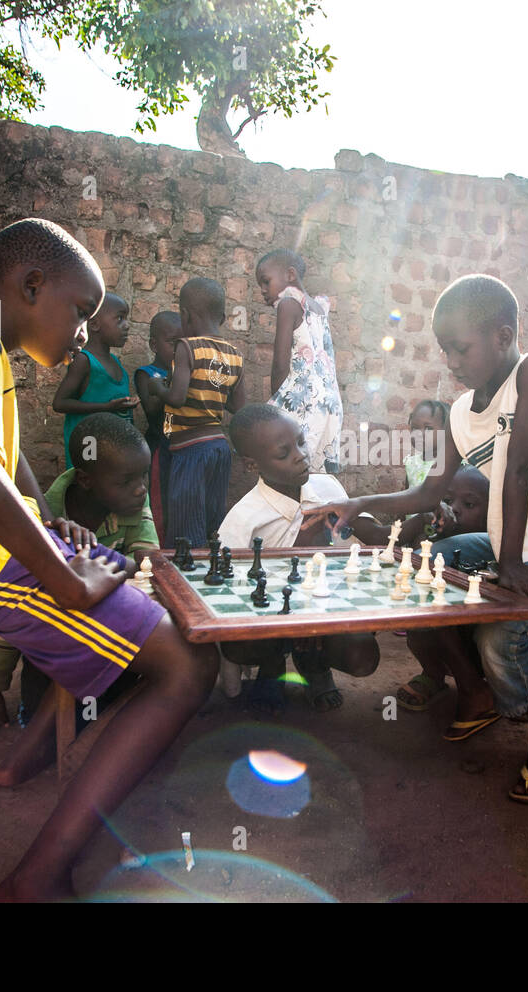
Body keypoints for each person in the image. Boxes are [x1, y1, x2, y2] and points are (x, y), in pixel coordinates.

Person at [0, 218, 217, 900]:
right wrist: (65, 578)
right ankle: (37, 876)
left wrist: (47, 517)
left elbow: (3, 455)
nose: (84, 330)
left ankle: (18, 767)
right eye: (80, 311)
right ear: (32, 286)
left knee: (133, 620)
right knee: (184, 663)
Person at [312, 275, 528, 803]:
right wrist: (358, 504)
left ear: (503, 336)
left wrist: (509, 565)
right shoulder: (462, 412)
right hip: (505, 543)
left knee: (499, 631)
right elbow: (431, 490)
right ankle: (475, 691)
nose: (451, 361)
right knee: (422, 571)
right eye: (444, 350)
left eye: (460, 348)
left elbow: (521, 468)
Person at [0, 413, 160, 785]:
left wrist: (102, 558)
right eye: (128, 481)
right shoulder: (35, 522)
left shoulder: (132, 509)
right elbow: (12, 616)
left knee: (127, 689)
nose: (141, 490)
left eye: (142, 478)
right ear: (85, 480)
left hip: (110, 640)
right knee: (53, 714)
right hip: (52, 647)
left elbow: (147, 568)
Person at [217, 404, 382, 713]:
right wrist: (290, 624)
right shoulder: (243, 519)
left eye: (301, 442)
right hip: (269, 617)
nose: (301, 456)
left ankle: (314, 665)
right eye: (284, 454)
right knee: (239, 643)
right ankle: (273, 664)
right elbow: (226, 594)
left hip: (326, 606)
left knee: (363, 658)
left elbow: (373, 536)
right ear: (252, 465)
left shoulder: (327, 487)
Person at [154, 279, 244, 547]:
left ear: (185, 315)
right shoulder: (235, 355)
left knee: (185, 528)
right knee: (211, 523)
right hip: (219, 449)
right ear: (224, 318)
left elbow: (177, 398)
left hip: (190, 448)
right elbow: (237, 407)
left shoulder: (187, 347)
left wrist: (157, 386)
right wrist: (211, 393)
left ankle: (184, 584)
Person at [395, 465, 490, 712]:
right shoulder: (432, 539)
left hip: (480, 645)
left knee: (495, 639)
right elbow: (389, 540)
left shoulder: (495, 551)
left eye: (469, 505)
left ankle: (496, 687)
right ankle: (432, 675)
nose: (454, 509)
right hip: (437, 641)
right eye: (447, 500)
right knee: (423, 616)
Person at [257, 249, 342, 474]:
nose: (263, 290)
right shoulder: (318, 308)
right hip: (329, 403)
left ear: (290, 275)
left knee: (291, 471)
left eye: (266, 282)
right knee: (316, 472)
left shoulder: (288, 304)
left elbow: (280, 361)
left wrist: (277, 399)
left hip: (301, 400)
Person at [52, 291, 137, 469]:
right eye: (120, 318)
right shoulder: (84, 361)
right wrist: (107, 408)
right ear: (95, 324)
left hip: (112, 450)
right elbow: (60, 403)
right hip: (88, 447)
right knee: (88, 485)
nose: (127, 326)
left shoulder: (116, 363)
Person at [134, 311, 178, 542]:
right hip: (159, 446)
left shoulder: (185, 372)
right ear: (154, 344)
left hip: (182, 447)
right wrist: (170, 381)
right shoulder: (146, 374)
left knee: (179, 500)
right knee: (160, 501)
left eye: (183, 344)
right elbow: (150, 410)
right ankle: (158, 549)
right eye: (172, 343)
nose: (178, 349)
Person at [404, 399, 450, 487]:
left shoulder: (451, 467)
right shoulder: (411, 464)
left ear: (447, 431)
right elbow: (406, 495)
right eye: (414, 428)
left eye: (428, 428)